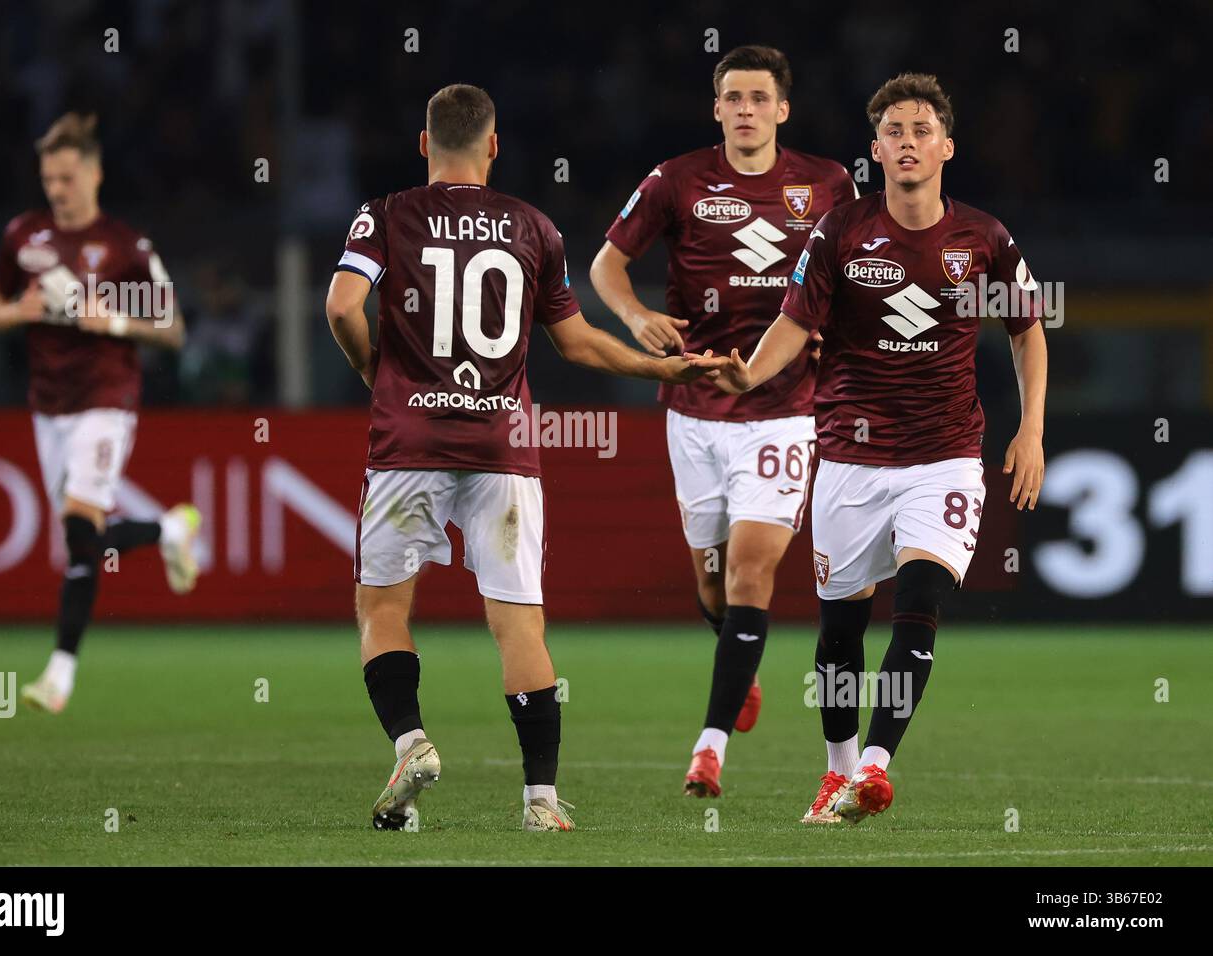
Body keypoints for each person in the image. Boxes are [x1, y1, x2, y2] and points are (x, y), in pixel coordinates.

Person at [326, 84, 711, 832]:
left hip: (408, 444)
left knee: (381, 608)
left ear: (424, 143)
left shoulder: (387, 213)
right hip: (503, 447)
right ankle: (540, 800)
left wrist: (375, 371)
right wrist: (659, 367)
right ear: (494, 145)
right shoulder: (532, 226)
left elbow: (342, 305)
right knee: (520, 625)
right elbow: (575, 341)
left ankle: (411, 743)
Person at [689, 73, 1048, 823]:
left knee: (920, 600)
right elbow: (793, 321)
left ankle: (877, 768)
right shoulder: (841, 230)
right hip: (850, 460)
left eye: (921, 130)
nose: (907, 142)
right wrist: (748, 375)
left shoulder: (983, 237)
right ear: (874, 149)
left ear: (946, 147)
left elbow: (1027, 330)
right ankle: (838, 770)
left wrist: (1032, 429)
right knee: (840, 630)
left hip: (945, 456)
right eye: (893, 131)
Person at [590, 45, 857, 797]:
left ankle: (708, 749)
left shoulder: (827, 183)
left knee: (749, 570)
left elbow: (851, 274)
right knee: (710, 581)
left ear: (782, 109)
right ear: (717, 109)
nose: (745, 110)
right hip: (694, 408)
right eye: (732, 98)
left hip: (785, 411)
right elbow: (605, 264)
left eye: (758, 98)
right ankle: (738, 663)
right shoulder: (676, 179)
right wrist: (637, 314)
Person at [0, 112, 201, 715]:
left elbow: (175, 330)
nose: (57, 190)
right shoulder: (24, 238)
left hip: (106, 401)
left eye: (67, 177)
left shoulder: (127, 248)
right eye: (49, 178)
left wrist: (110, 320)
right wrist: (24, 310)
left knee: (81, 534)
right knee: (82, 538)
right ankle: (169, 529)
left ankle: (59, 676)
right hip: (47, 407)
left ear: (95, 173)